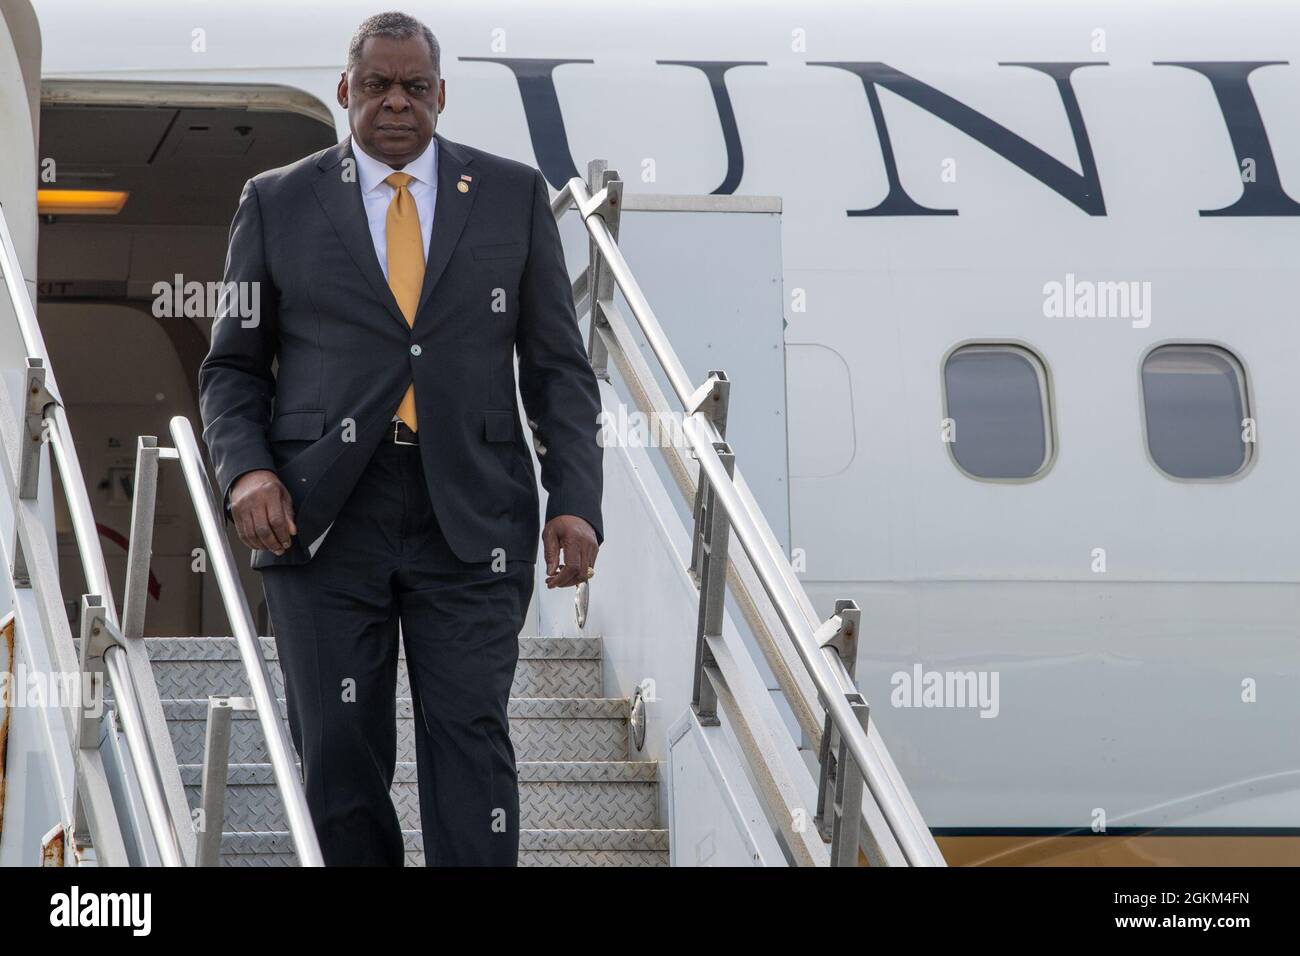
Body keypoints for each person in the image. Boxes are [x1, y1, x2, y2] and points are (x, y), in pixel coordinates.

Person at [198, 10, 603, 866]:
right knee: (340, 755)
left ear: (441, 96)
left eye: (415, 88)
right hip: (323, 518)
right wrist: (246, 474)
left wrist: (575, 502)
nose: (395, 104)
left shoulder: (511, 195)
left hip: (472, 518)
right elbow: (231, 369)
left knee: (471, 741)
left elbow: (559, 371)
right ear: (345, 91)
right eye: (376, 86)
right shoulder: (275, 203)